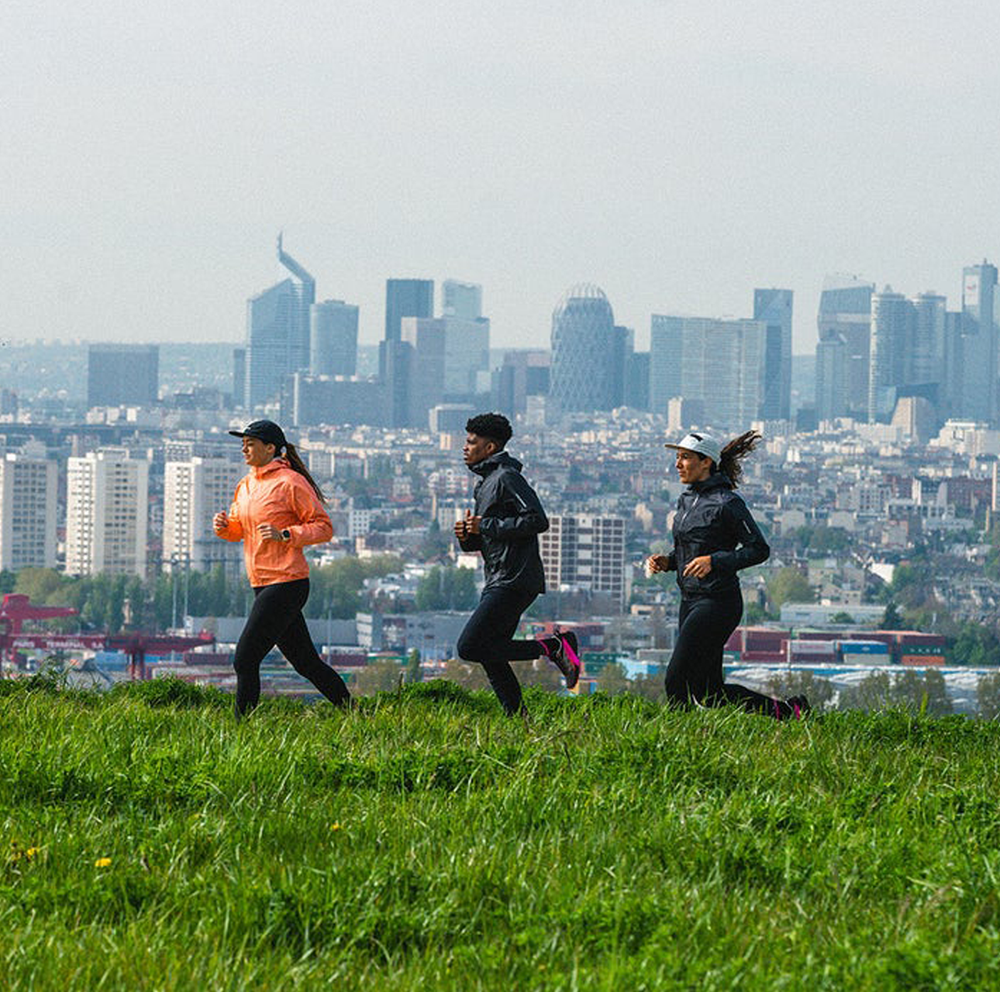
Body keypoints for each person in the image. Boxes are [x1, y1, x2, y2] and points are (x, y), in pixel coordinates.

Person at [647, 430, 808, 720]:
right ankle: (789, 713)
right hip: (690, 599)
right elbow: (691, 552)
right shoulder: (686, 501)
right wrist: (668, 562)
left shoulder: (727, 503)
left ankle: (680, 742)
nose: (677, 464)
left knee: (676, 679)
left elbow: (759, 549)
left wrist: (715, 561)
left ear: (706, 462)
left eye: (685, 457)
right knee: (708, 692)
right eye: (677, 457)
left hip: (718, 603)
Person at [213, 419, 351, 717]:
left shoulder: (290, 482)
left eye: (250, 443)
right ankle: (354, 713)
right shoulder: (246, 485)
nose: (244, 449)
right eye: (243, 443)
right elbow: (241, 530)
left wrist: (287, 534)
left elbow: (324, 527)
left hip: (287, 582)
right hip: (261, 582)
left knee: (245, 658)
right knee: (305, 662)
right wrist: (225, 528)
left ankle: (241, 729)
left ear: (270, 447)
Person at [454, 412, 580, 716]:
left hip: (515, 578)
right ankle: (518, 719)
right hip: (500, 575)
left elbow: (537, 520)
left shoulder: (507, 477)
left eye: (472, 442)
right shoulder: (485, 483)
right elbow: (488, 536)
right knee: (491, 654)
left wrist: (485, 525)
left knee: (469, 647)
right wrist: (467, 535)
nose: (464, 447)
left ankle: (553, 647)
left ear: (490, 447)